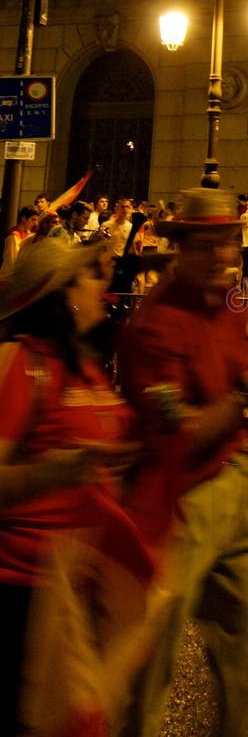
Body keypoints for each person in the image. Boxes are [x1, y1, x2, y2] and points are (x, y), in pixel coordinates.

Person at [116, 187, 248, 737]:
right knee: (151, 655)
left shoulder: (228, 302)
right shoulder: (153, 327)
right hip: (177, 502)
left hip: (233, 485)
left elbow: (236, 369)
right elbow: (180, 434)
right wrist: (247, 392)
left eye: (227, 243)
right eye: (205, 246)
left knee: (246, 630)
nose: (221, 257)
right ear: (180, 249)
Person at [0, 238, 149, 736]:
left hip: (76, 589)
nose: (102, 282)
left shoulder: (87, 367)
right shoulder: (24, 362)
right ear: (61, 295)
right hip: (22, 592)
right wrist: (61, 471)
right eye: (88, 275)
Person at [1, 205, 38, 271]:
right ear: (23, 219)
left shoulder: (26, 234)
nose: (36, 224)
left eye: (37, 220)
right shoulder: (13, 237)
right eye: (33, 220)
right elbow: (13, 263)